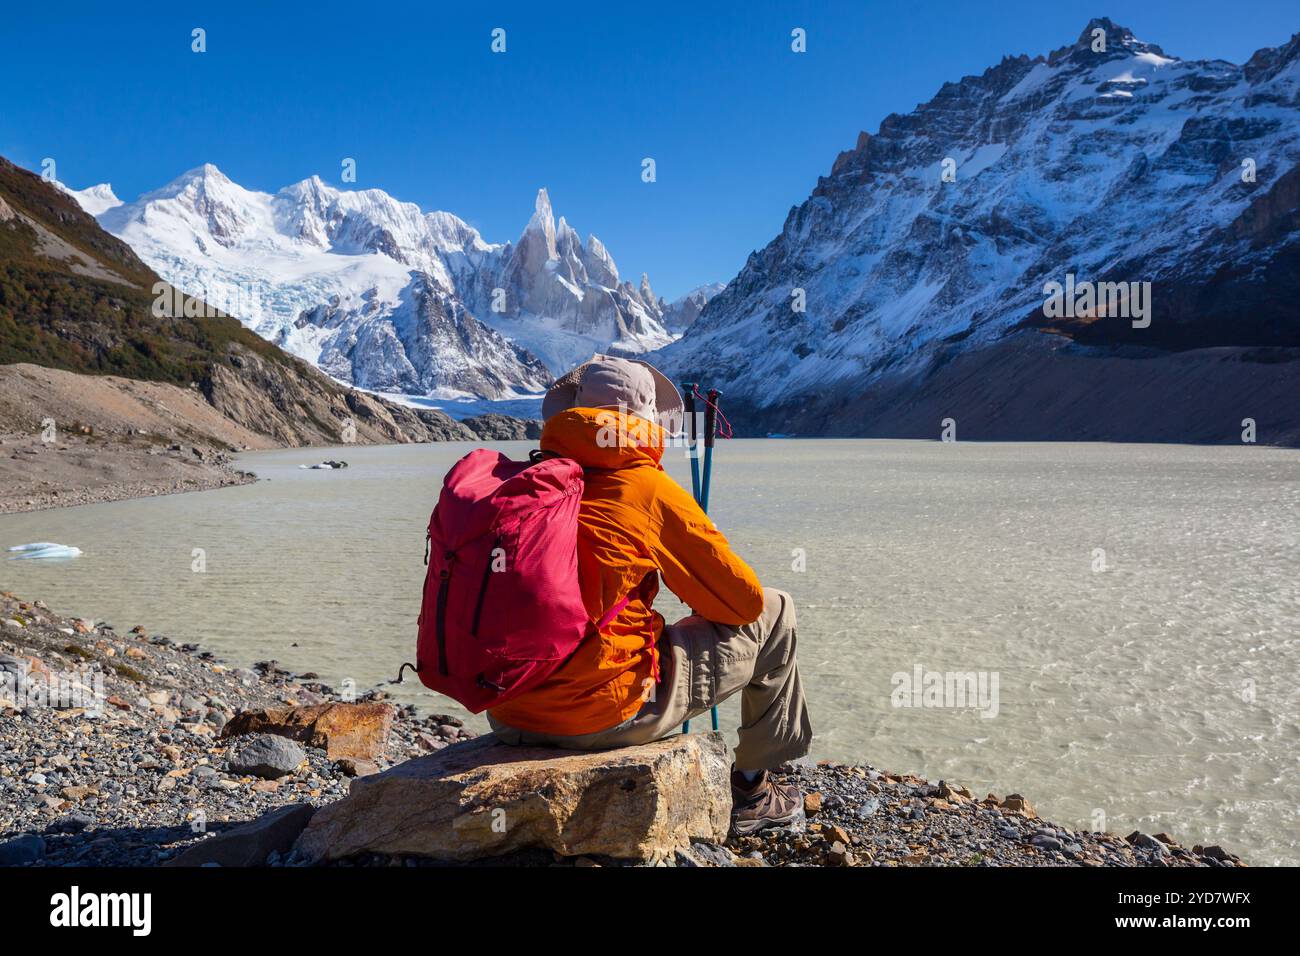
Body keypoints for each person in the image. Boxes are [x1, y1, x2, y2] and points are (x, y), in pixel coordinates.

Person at [487, 354, 813, 834]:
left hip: (508, 710)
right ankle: (751, 790)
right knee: (777, 610)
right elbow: (743, 605)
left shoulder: (522, 482)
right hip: (599, 715)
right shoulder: (646, 487)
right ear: (645, 420)